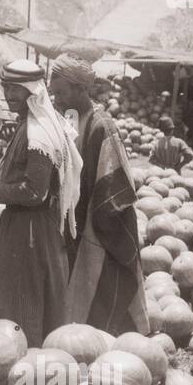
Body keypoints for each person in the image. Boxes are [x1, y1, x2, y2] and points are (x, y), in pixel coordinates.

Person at [0, 60, 81, 347]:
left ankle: (22, 360)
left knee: (22, 299)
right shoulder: (32, 123)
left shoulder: (39, 130)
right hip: (26, 226)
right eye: (6, 87)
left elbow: (36, 192)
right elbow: (26, 173)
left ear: (33, 91)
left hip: (30, 230)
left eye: (16, 89)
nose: (9, 95)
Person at [49, 55, 148, 335]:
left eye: (62, 93)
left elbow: (114, 183)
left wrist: (96, 221)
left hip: (101, 221)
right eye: (53, 93)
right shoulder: (72, 121)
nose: (57, 99)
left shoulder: (102, 125)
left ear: (82, 89)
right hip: (75, 221)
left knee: (106, 286)